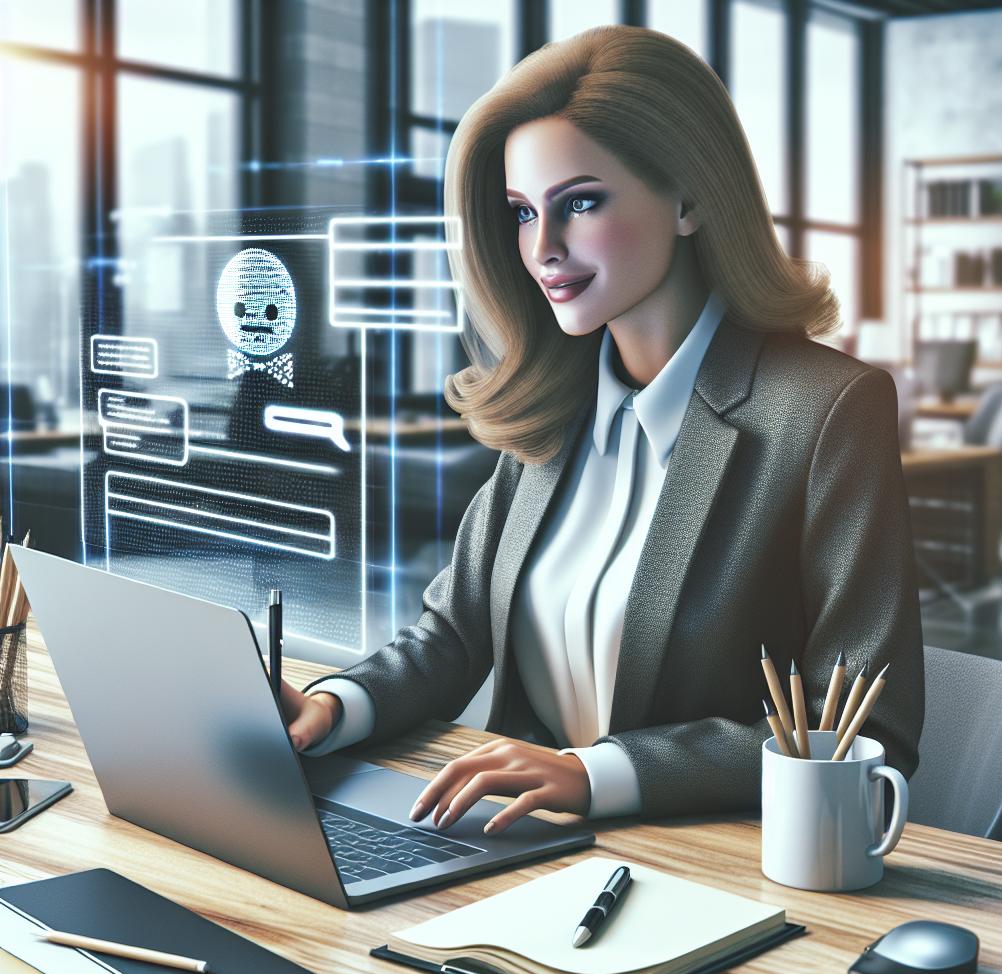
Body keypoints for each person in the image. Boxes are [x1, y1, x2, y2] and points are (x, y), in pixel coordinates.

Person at [280, 25, 924, 834]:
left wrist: (597, 775)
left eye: (580, 203)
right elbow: (454, 634)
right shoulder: (555, 406)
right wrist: (332, 707)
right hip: (507, 842)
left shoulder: (826, 410)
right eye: (521, 213)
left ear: (690, 199)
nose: (542, 249)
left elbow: (868, 732)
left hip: (708, 864)